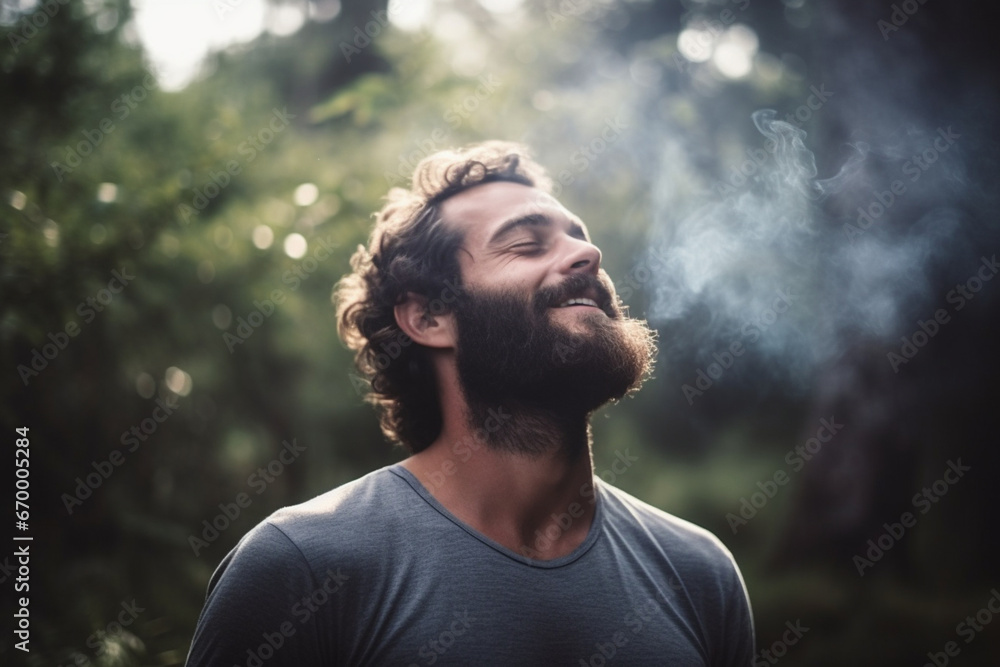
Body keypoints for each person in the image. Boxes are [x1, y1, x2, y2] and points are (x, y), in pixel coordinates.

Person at [186, 141, 755, 666]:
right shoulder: (301, 566)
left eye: (579, 236)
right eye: (528, 243)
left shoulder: (699, 573)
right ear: (430, 317)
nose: (588, 252)